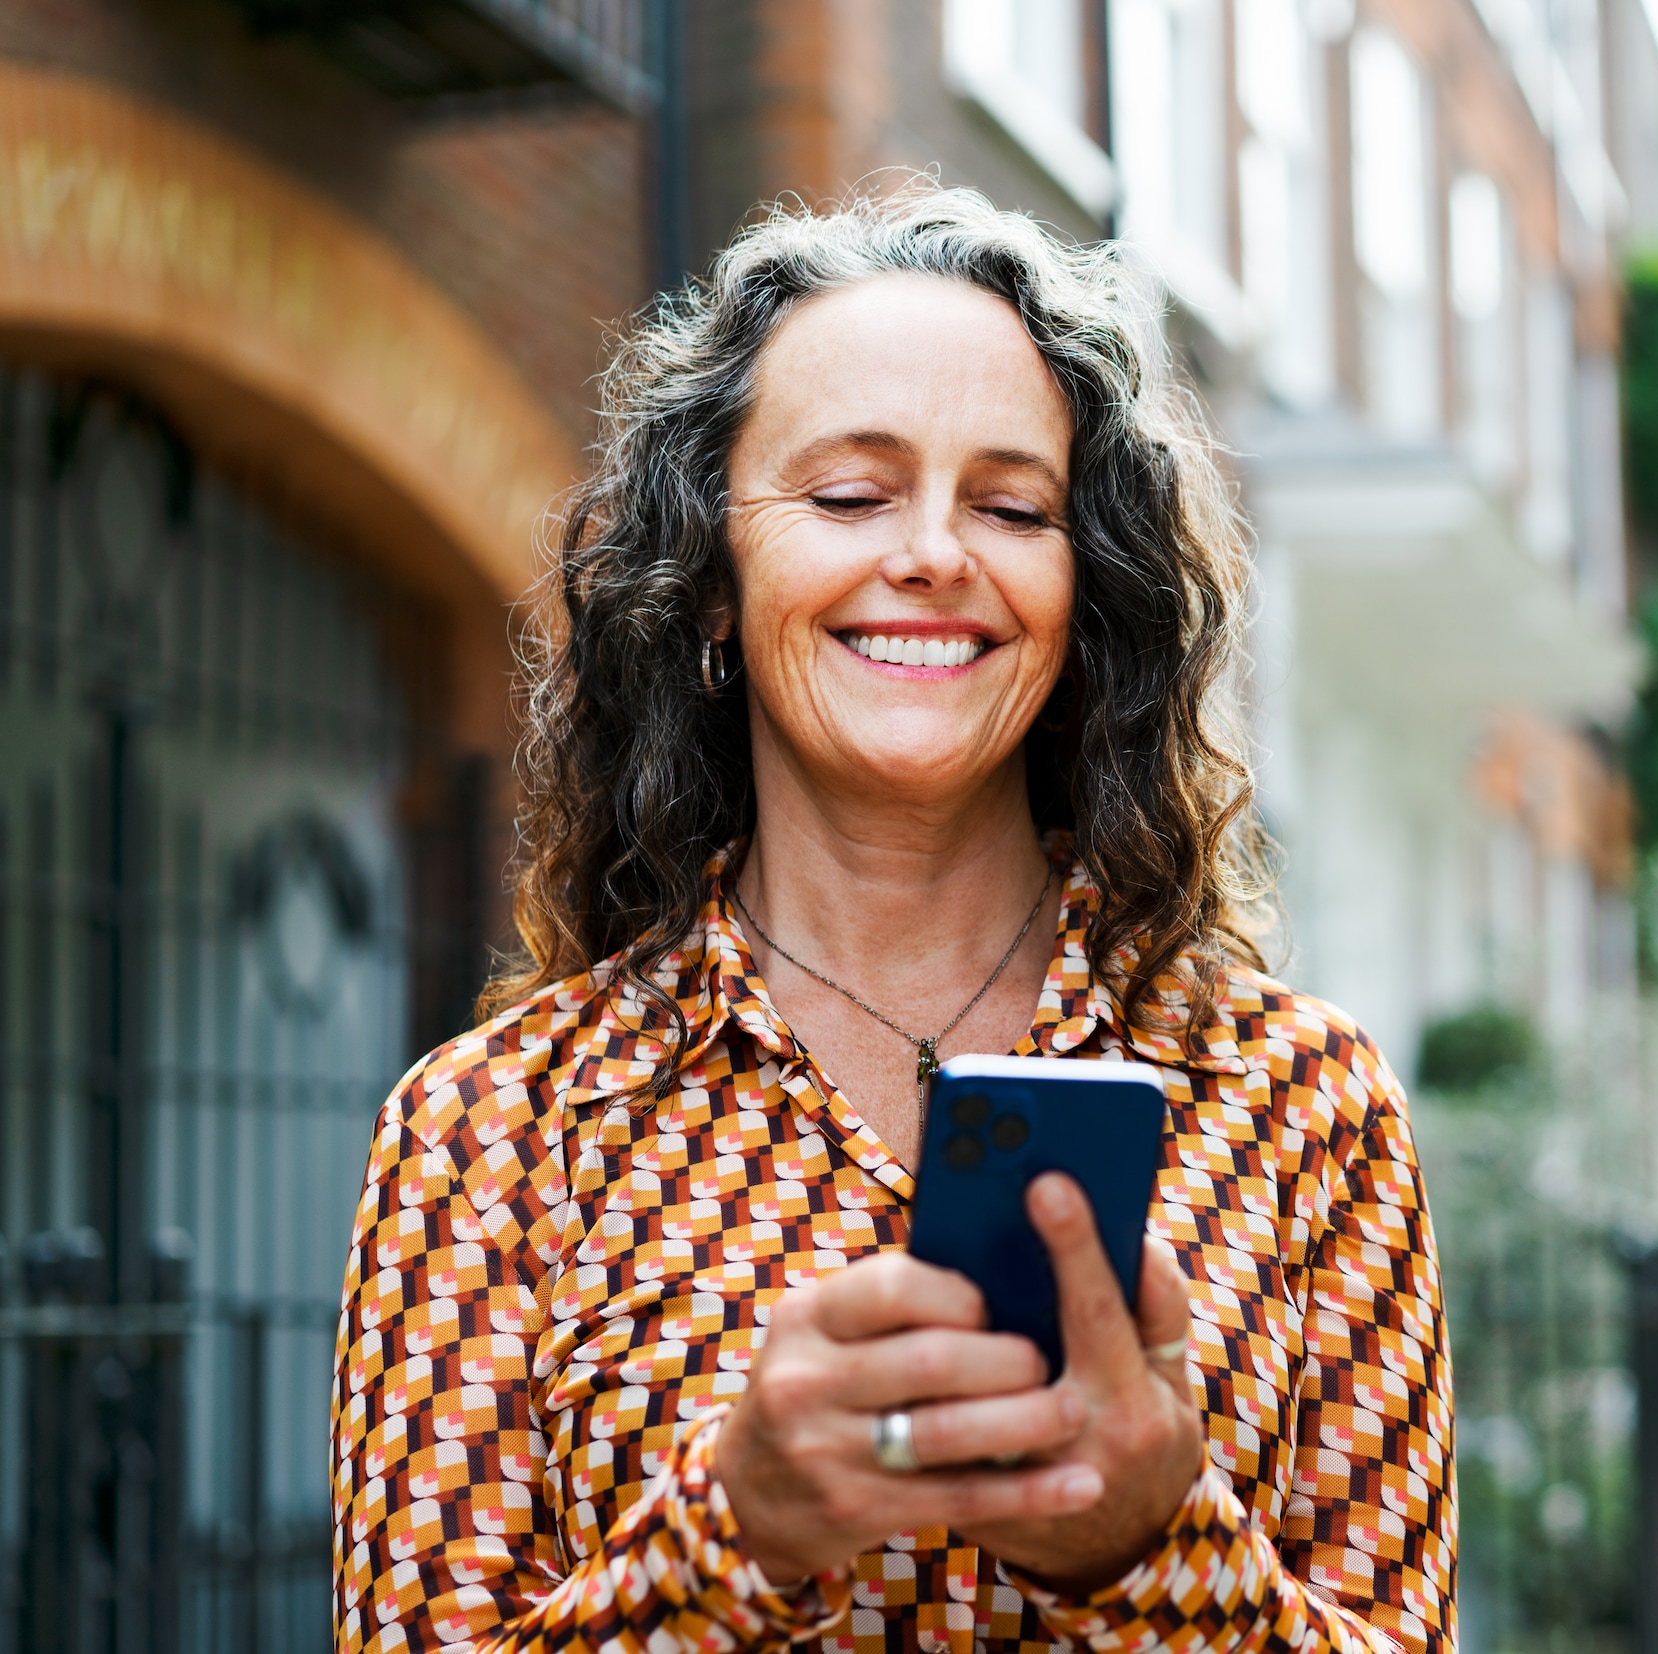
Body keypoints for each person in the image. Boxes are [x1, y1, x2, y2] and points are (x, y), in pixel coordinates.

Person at [328, 188, 1455, 1654]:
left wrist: (1153, 1552)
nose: (934, 553)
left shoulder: (1302, 1104)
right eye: (851, 496)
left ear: (1083, 595)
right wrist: (733, 1535)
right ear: (712, 580)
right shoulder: (489, 1135)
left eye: (1013, 508)